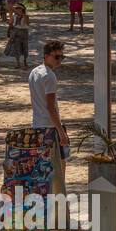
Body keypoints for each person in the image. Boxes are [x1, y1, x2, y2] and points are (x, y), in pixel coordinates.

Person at [29, 40, 69, 195]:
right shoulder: (49, 76)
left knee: (42, 169)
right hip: (50, 128)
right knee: (59, 170)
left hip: (37, 126)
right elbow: (51, 107)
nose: (59, 60)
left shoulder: (34, 72)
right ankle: (57, 207)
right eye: (56, 57)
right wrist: (61, 132)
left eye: (61, 57)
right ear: (46, 56)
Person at [5, 2, 31, 68]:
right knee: (17, 48)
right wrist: (8, 32)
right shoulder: (14, 16)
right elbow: (11, 24)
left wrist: (22, 15)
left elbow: (27, 24)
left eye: (17, 8)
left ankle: (25, 61)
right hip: (16, 33)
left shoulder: (26, 16)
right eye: (15, 8)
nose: (15, 9)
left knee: (25, 48)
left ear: (21, 9)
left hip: (24, 33)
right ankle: (18, 63)